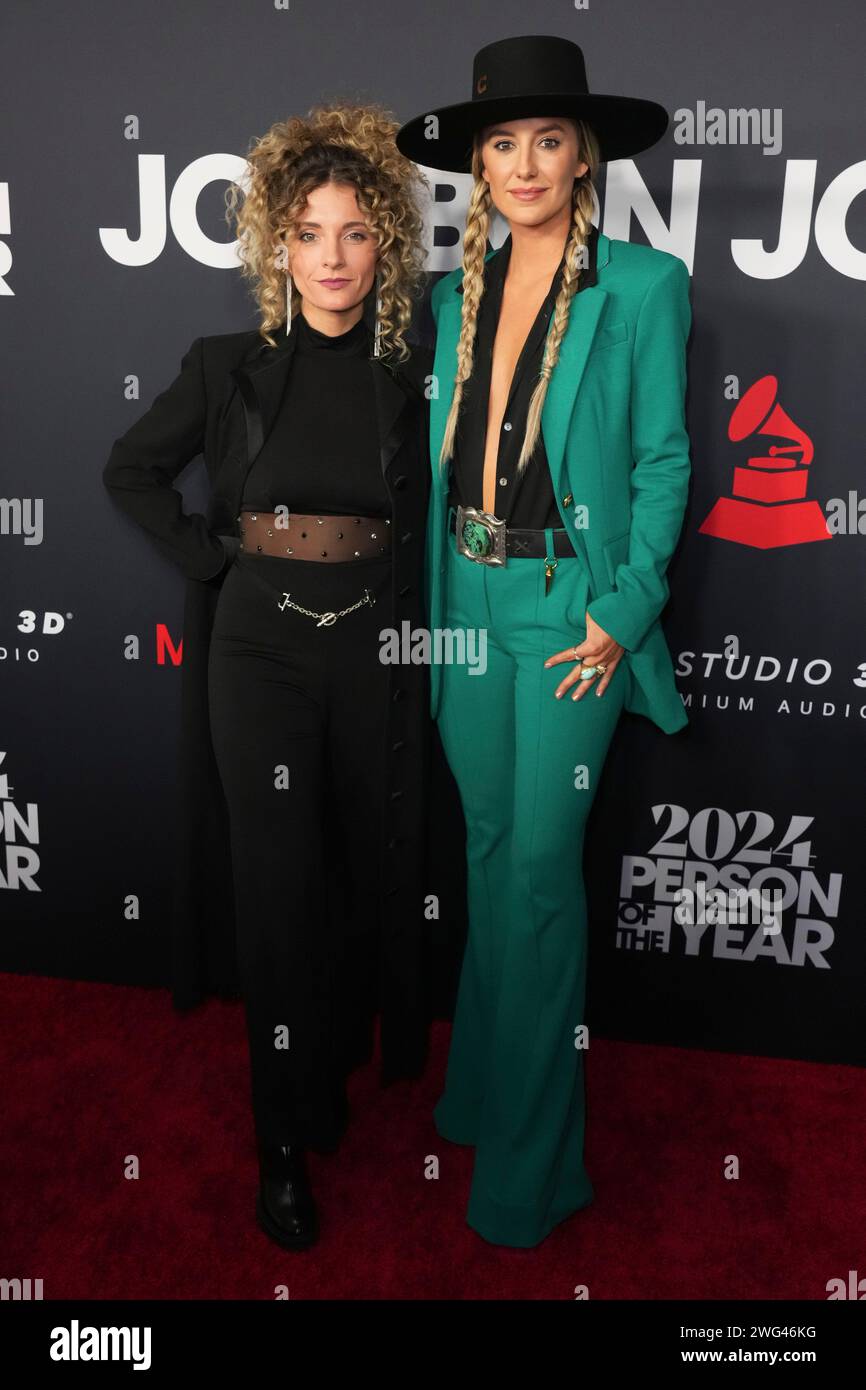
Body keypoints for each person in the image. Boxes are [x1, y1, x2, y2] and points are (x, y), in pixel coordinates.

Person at [103, 104, 433, 1250]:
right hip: (259, 649)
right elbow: (132, 469)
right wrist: (212, 561)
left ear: (383, 244)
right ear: (275, 249)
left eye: (354, 232)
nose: (332, 257)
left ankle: (334, 1060)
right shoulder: (226, 366)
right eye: (308, 233)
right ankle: (280, 1142)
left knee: (357, 865)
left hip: (376, 642)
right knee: (276, 883)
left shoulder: (417, 366)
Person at [396, 35, 692, 1248]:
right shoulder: (450, 295)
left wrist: (620, 618)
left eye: (548, 141)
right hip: (465, 608)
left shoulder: (641, 285)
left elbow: (665, 461)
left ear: (584, 157)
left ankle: (528, 1171)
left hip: (572, 614)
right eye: (501, 144)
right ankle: (476, 1093)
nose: (523, 164)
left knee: (534, 883)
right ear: (479, 164)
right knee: (482, 857)